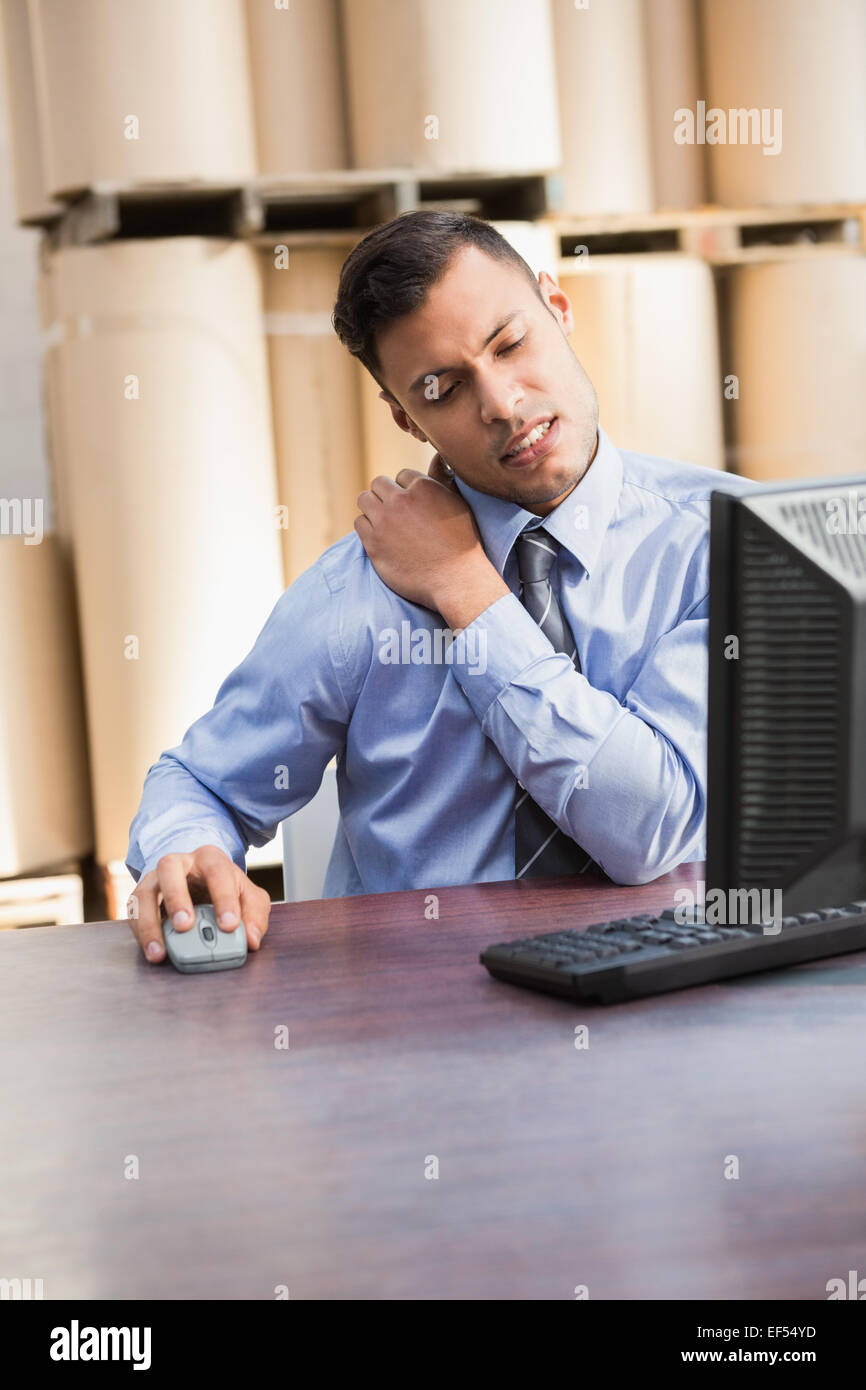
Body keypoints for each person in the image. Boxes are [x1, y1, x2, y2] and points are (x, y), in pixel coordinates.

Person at [125, 210, 757, 963]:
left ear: (558, 309)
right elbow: (201, 782)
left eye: (511, 344)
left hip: (676, 1001)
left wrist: (466, 590)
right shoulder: (356, 596)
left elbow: (647, 827)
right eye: (442, 387)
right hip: (423, 1030)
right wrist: (187, 850)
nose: (500, 403)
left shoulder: (725, 543)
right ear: (406, 418)